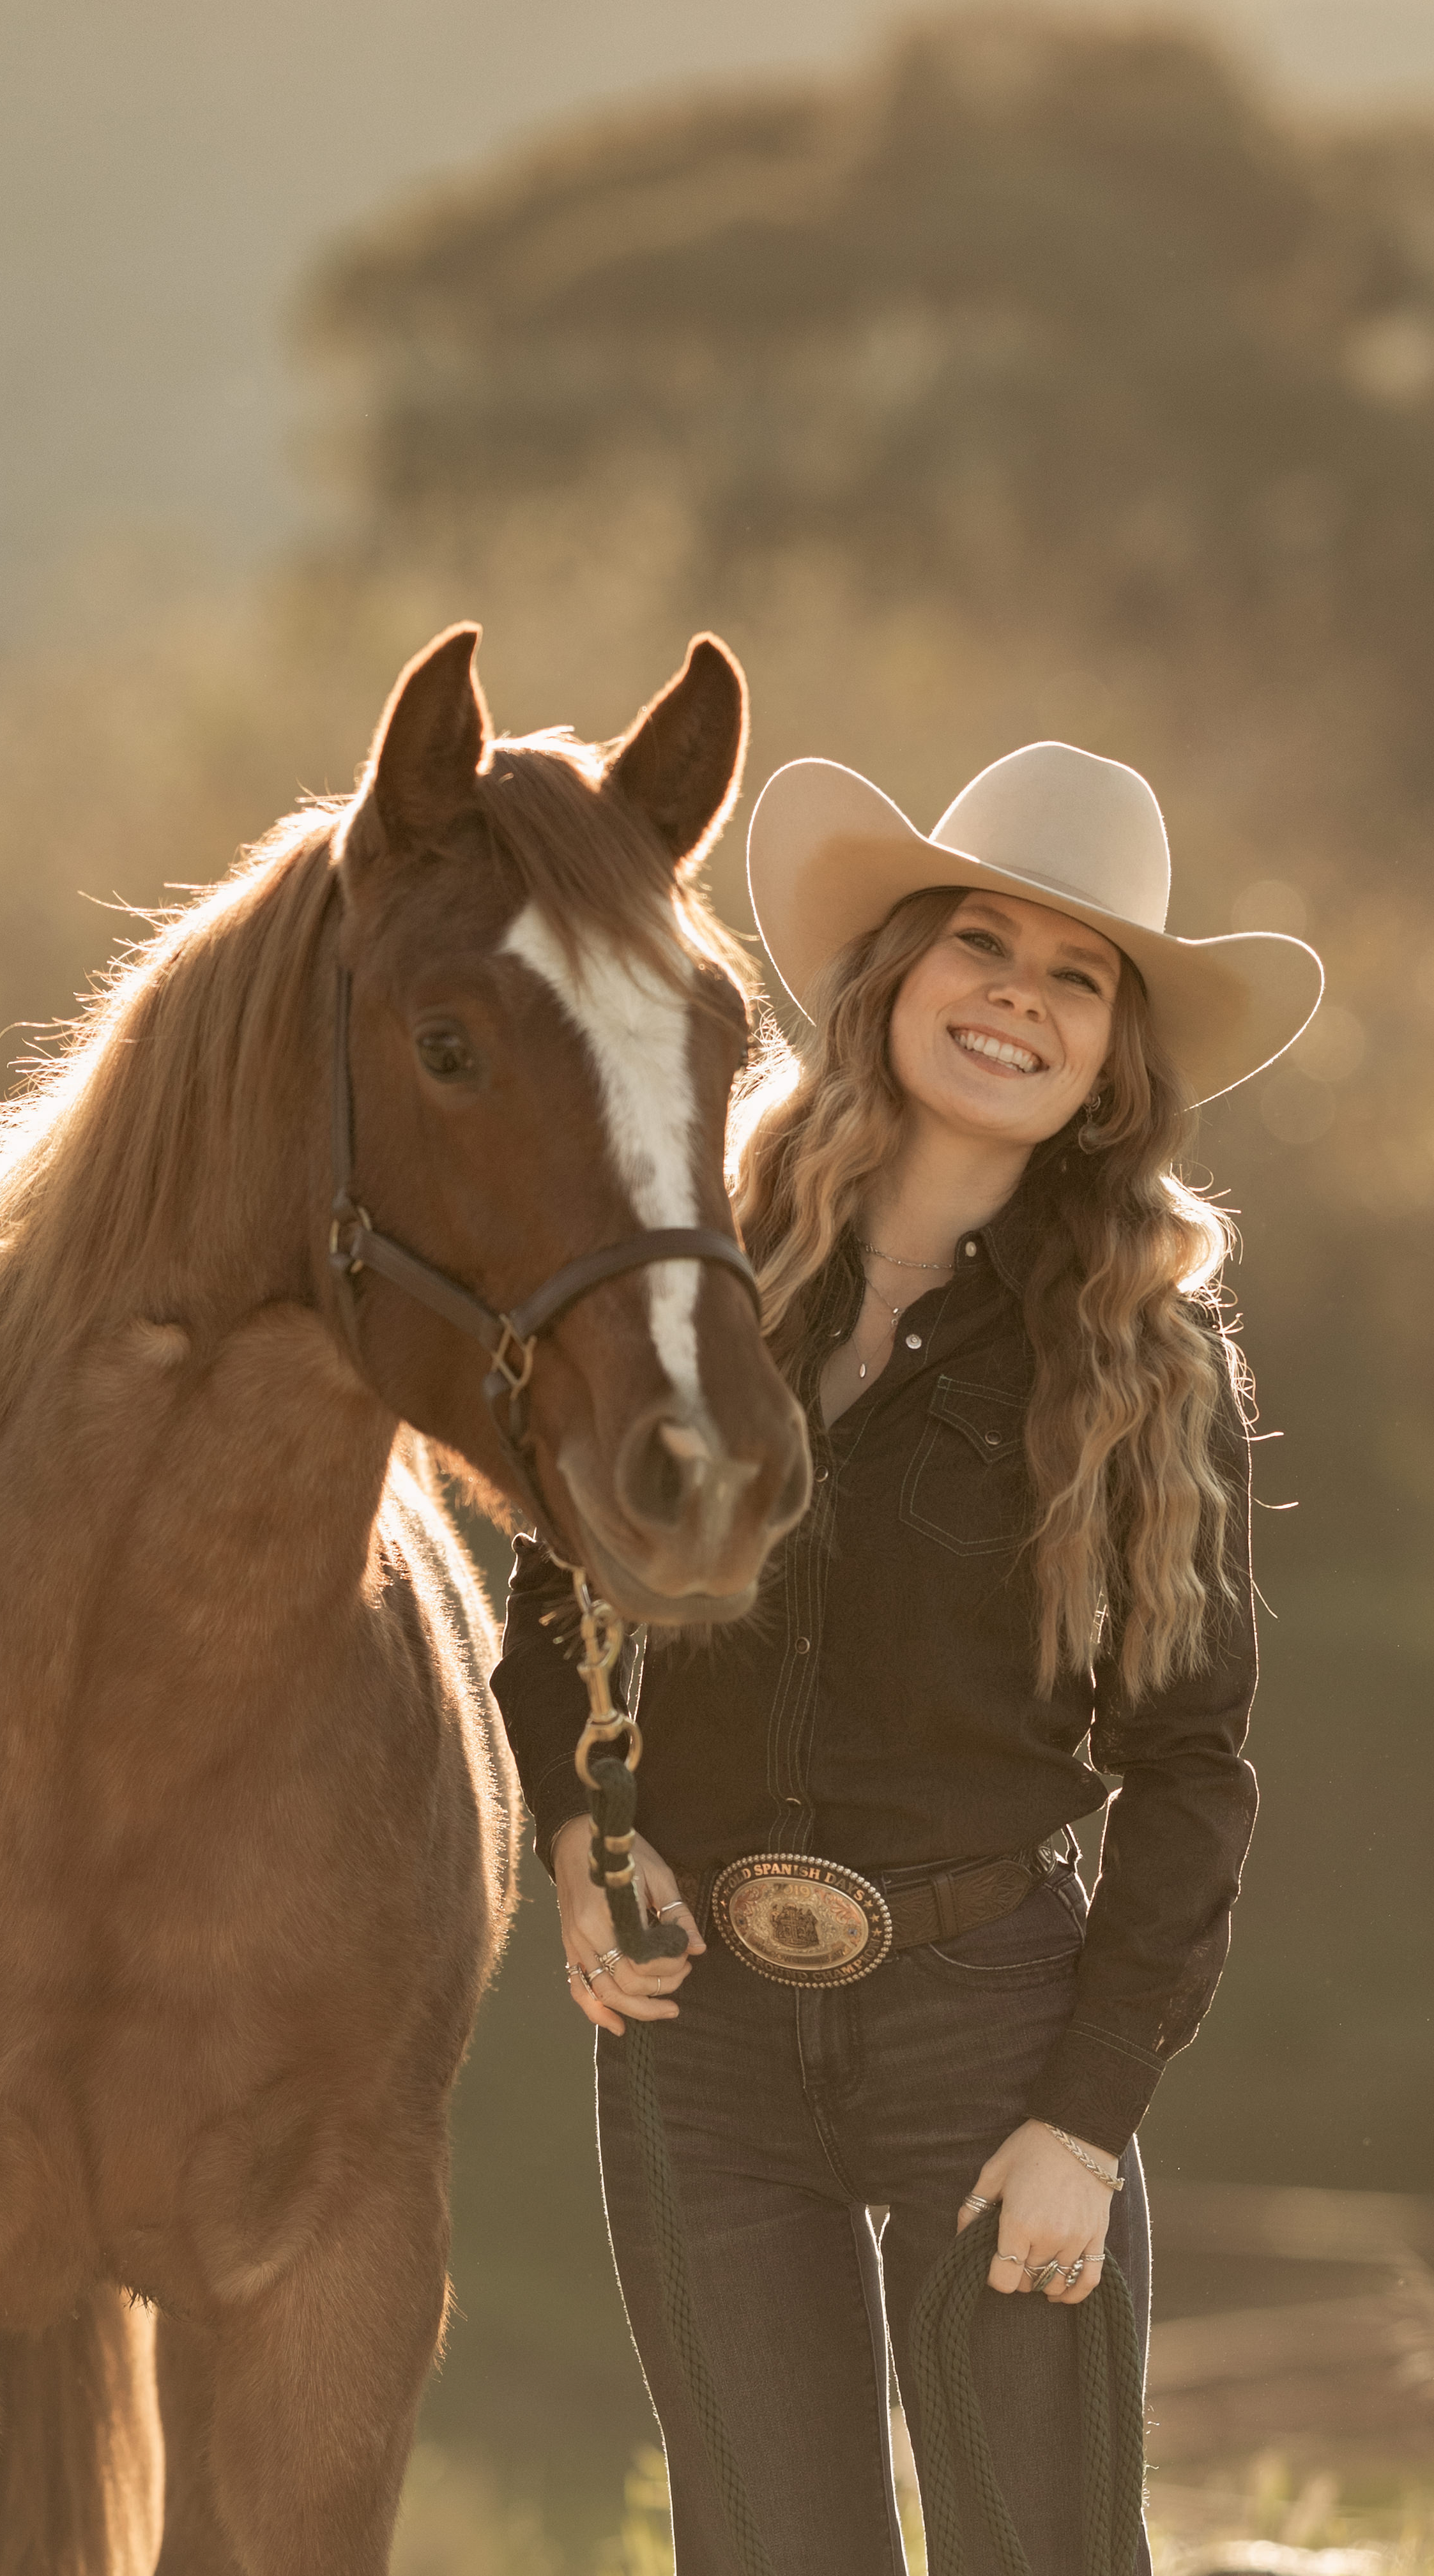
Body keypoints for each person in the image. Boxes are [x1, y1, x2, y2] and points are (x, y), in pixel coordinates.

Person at [491, 741, 1323, 2576]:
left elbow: (1188, 1767)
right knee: (766, 2550)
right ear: (893, 976)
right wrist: (574, 1817)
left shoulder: (1145, 1358)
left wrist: (1082, 2120)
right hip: (697, 2030)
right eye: (980, 940)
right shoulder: (695, 1262)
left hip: (990, 2025)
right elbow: (561, 1580)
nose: (1018, 994)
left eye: (1076, 974)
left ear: (1112, 1054)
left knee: (1040, 2549)